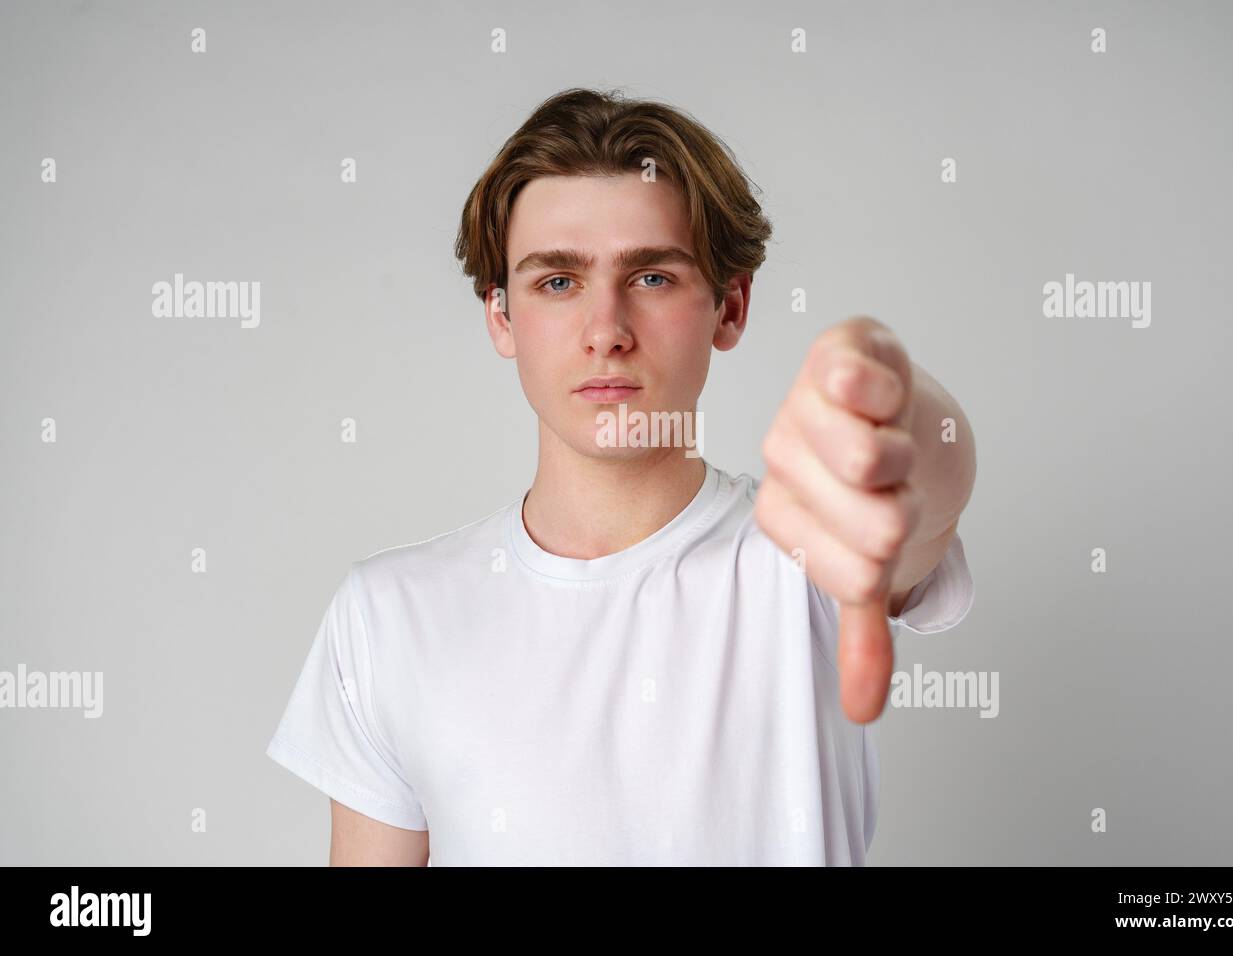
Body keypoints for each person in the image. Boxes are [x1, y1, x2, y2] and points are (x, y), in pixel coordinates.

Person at [266, 87, 976, 866]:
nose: (606, 331)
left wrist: (893, 402)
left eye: (652, 278)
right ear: (501, 316)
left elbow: (928, 488)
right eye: (558, 282)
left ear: (730, 307)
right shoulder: (387, 615)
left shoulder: (805, 558)